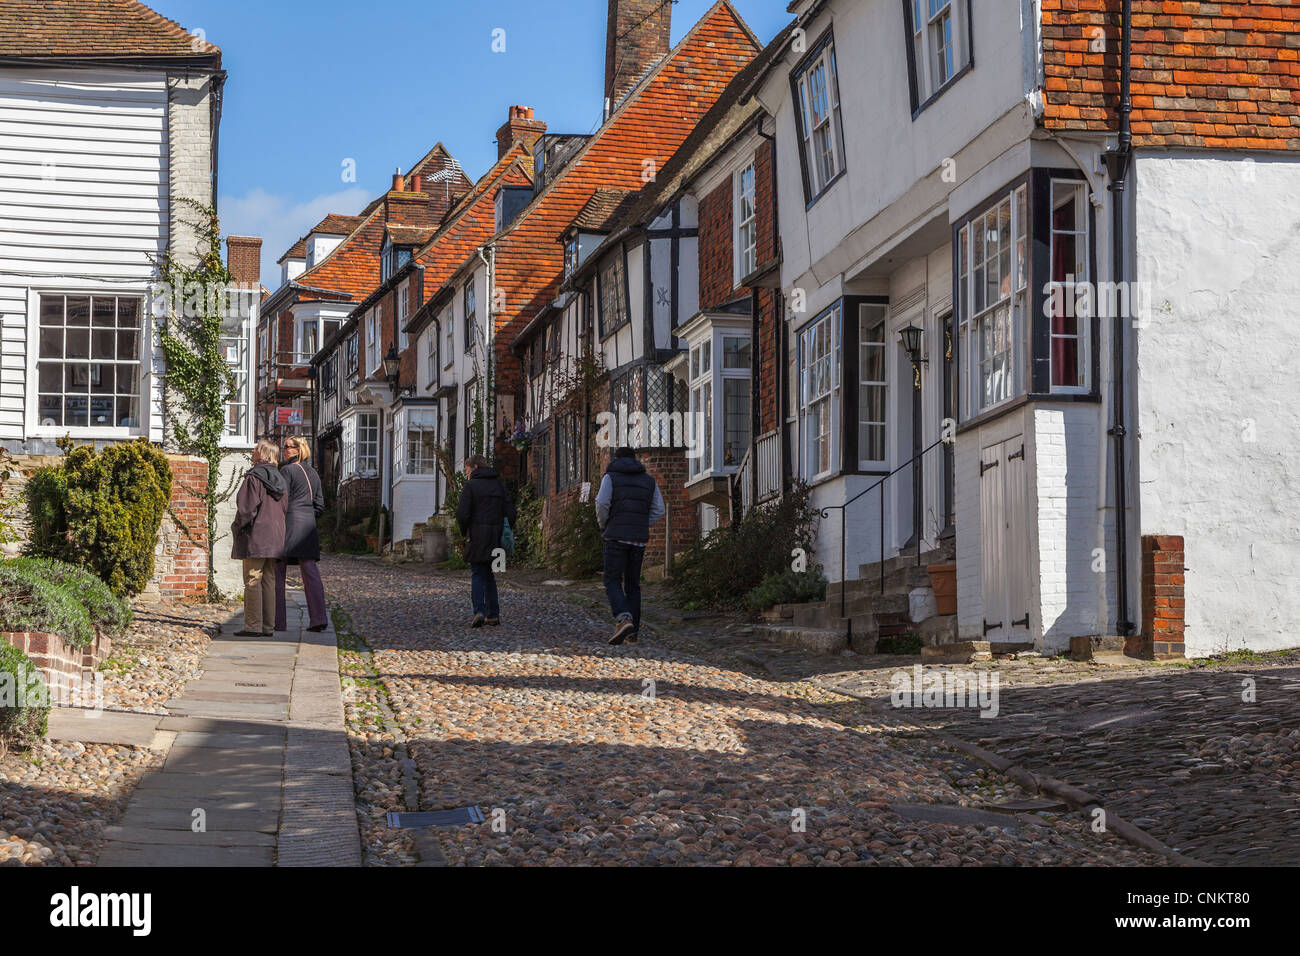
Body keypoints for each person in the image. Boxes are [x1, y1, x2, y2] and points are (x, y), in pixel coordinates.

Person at [595, 447, 664, 645]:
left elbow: (601, 504)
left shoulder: (611, 477)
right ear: (635, 459)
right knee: (633, 584)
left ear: (615, 459)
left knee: (611, 579)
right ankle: (632, 634)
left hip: (615, 536)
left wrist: (604, 524)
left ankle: (624, 619)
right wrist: (642, 524)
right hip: (638, 539)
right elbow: (659, 510)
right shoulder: (649, 481)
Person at [230, 440, 288, 638]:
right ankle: (268, 626)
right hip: (276, 535)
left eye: (255, 448)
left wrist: (238, 527)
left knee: (253, 578)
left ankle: (253, 626)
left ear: (263, 454)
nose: (252, 451)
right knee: (269, 580)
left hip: (257, 534)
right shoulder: (280, 479)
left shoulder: (254, 477)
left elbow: (247, 509)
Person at [274, 436, 328, 633]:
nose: (283, 450)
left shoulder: (287, 470)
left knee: (278, 572)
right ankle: (318, 618)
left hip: (289, 524)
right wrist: (305, 515)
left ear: (297, 449)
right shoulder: (313, 473)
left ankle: (278, 621)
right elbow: (320, 506)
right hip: (308, 527)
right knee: (310, 572)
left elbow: (282, 499)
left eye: (287, 447)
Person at [456, 455, 516, 628]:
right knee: (491, 575)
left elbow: (462, 514)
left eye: (467, 470)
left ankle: (479, 611)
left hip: (476, 536)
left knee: (477, 573)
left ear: (474, 467)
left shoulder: (470, 486)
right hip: (497, 537)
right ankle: (493, 614)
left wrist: (464, 531)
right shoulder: (500, 485)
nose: (466, 474)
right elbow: (511, 513)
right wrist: (505, 528)